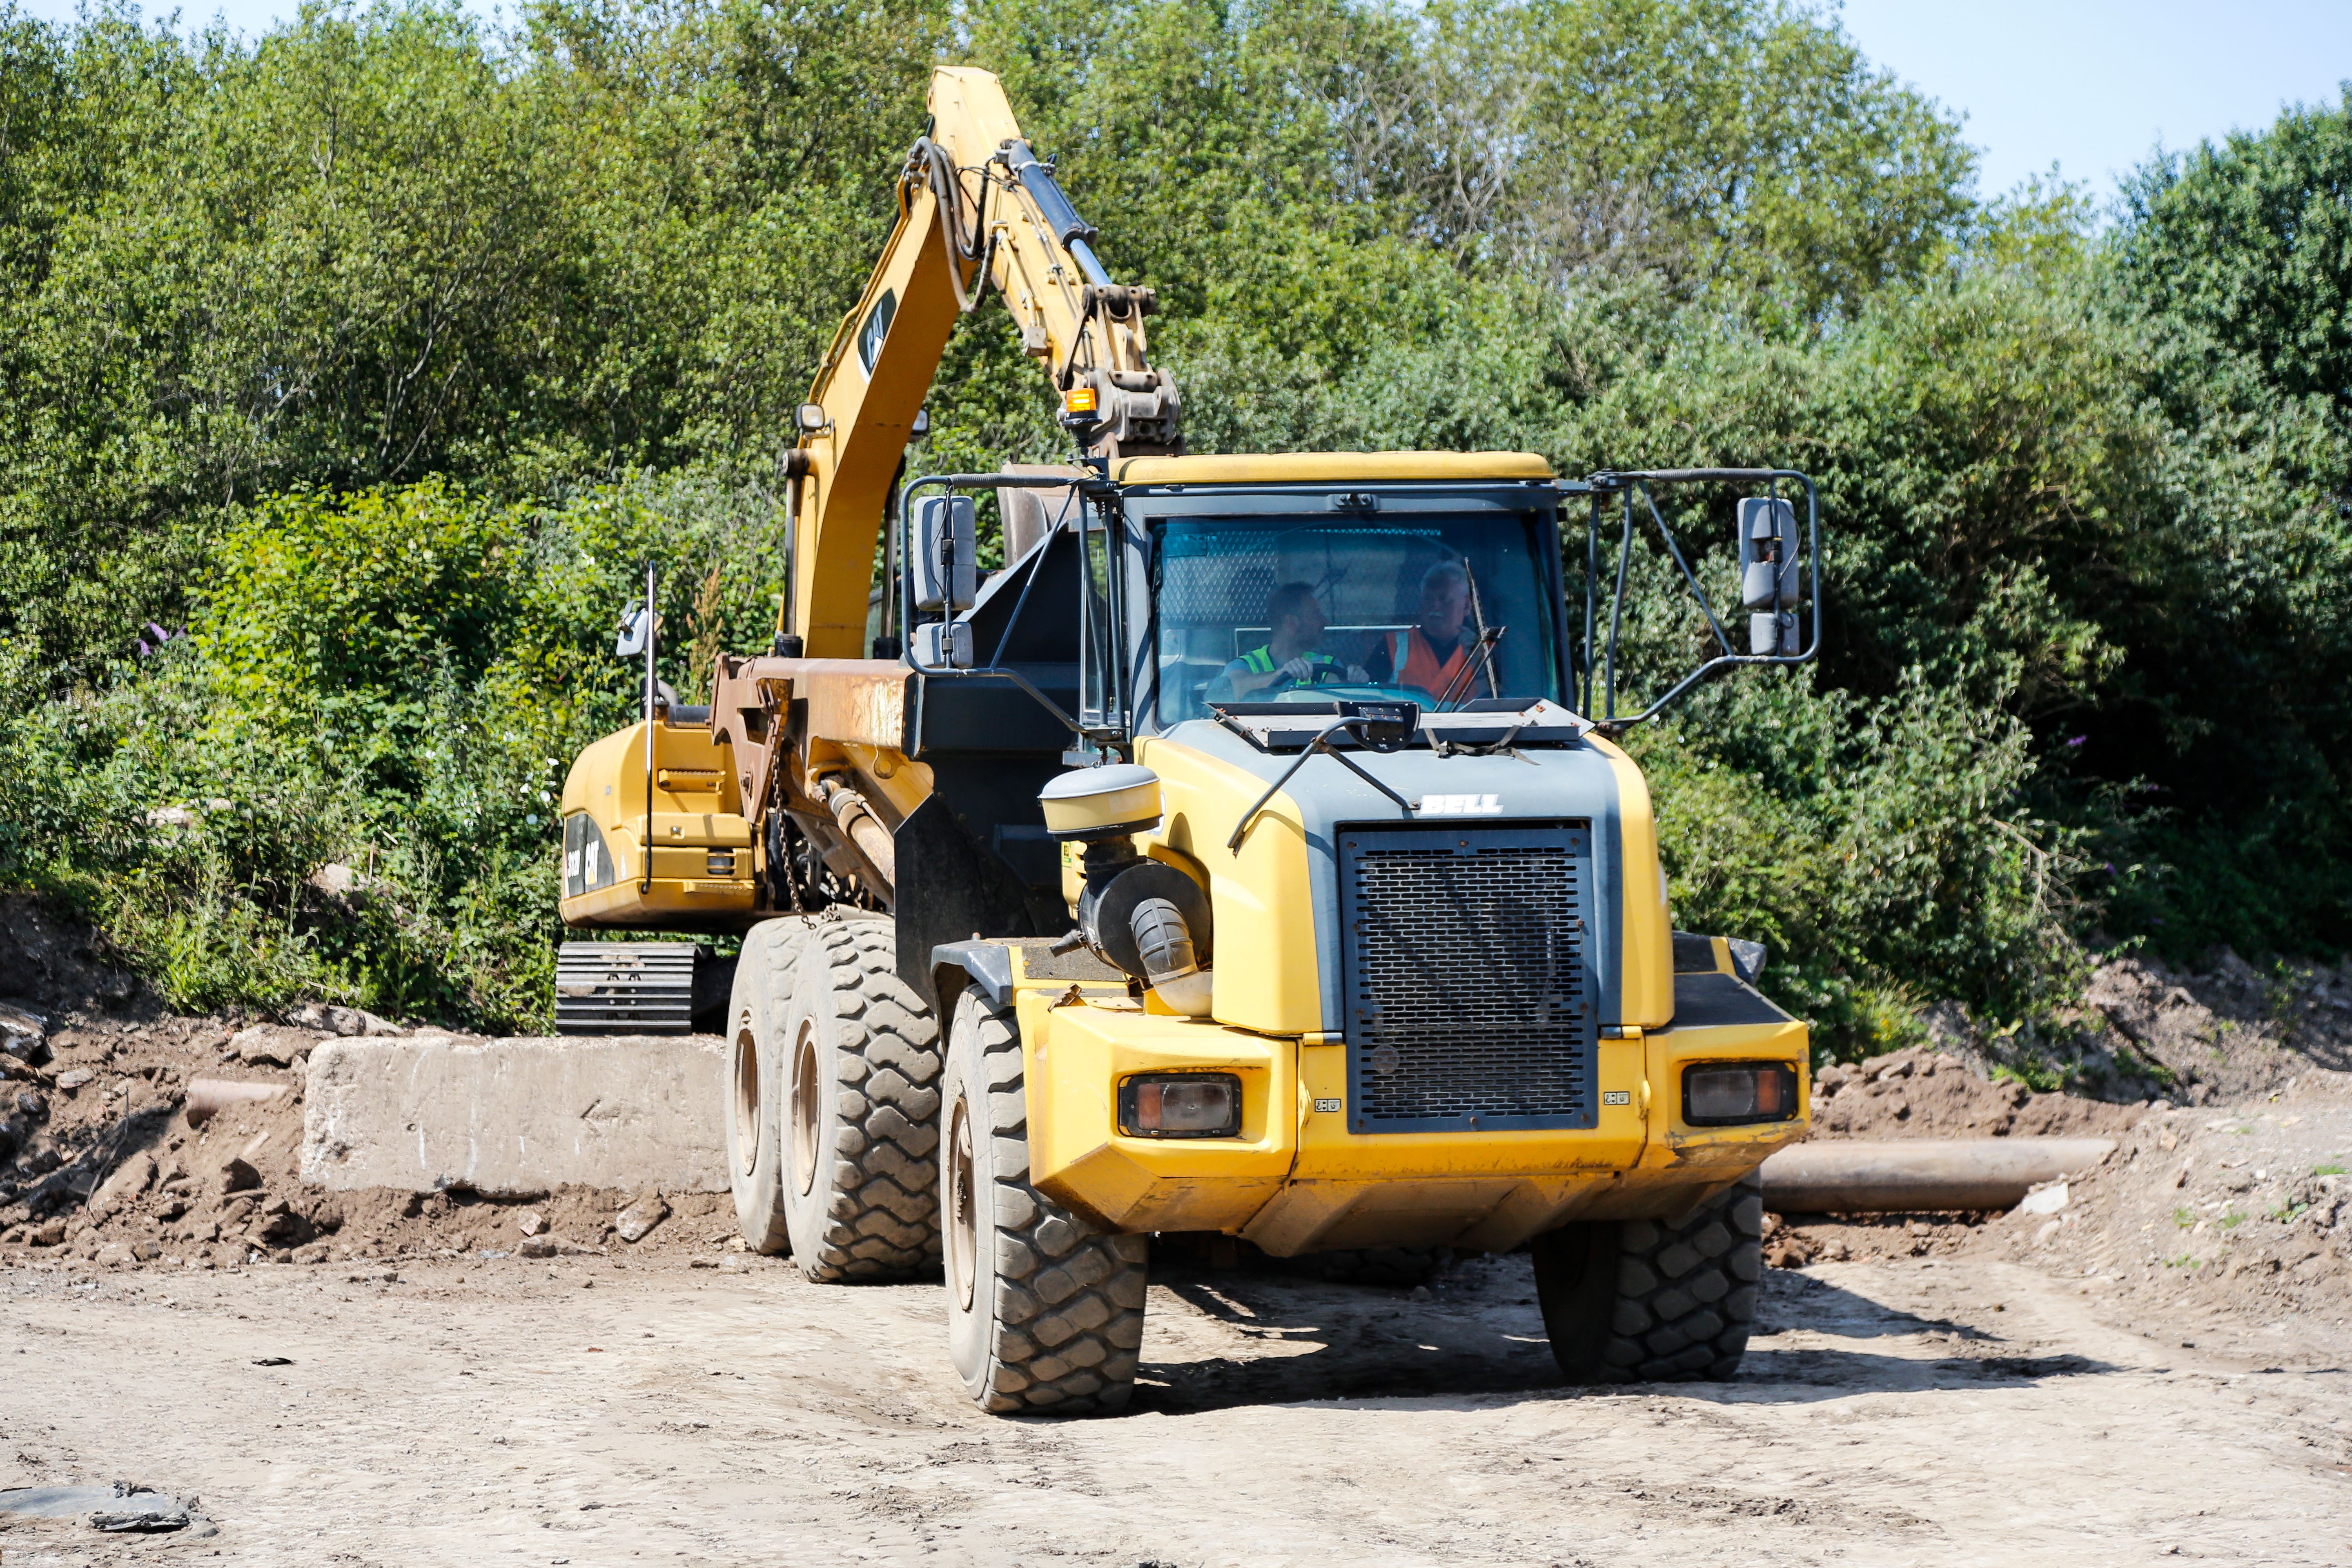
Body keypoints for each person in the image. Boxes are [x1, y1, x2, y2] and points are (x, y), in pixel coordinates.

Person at [1209, 582, 1367, 700]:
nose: (1325, 622)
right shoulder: (1246, 664)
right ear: (1292, 623)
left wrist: (1356, 684)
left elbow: (1343, 699)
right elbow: (1234, 688)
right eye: (1316, 615)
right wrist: (1280, 675)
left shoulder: (1328, 664)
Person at [1371, 560, 1489, 701]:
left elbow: (1500, 703)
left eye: (1444, 600)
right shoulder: (1394, 645)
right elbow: (1370, 694)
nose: (1435, 606)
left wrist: (1479, 665)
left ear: (1467, 606)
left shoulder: (1484, 650)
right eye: (1429, 599)